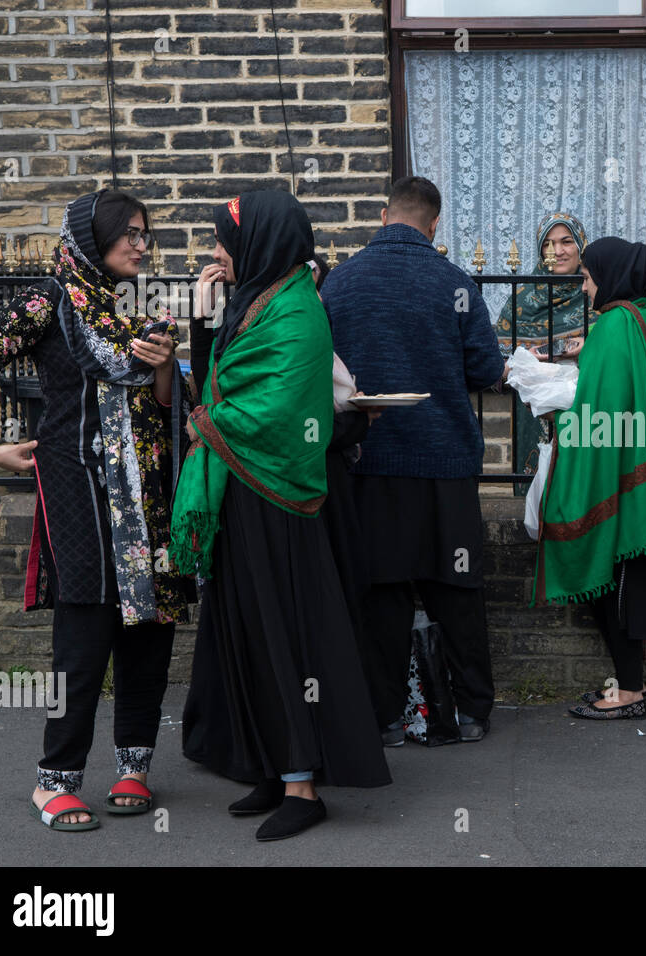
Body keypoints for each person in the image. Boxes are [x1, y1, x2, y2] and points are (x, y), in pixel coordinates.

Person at [0, 189, 188, 830]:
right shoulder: (50, 299)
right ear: (96, 238)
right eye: (132, 235)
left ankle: (134, 766)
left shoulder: (140, 305)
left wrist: (167, 365)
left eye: (147, 235)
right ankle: (54, 779)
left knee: (149, 629)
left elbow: (165, 403)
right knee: (85, 638)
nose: (142, 246)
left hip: (147, 492)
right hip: (79, 488)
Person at [172, 190, 391, 842]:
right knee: (242, 632)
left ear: (260, 242)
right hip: (240, 496)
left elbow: (274, 413)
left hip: (279, 503)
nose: (216, 253)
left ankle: (303, 783)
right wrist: (205, 320)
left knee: (285, 634)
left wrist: (207, 423)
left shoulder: (297, 313)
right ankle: (267, 763)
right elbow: (212, 378)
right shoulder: (253, 301)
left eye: (224, 241)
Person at [322, 176, 504, 744]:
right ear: (434, 224)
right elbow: (485, 369)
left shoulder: (339, 284)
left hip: (370, 461)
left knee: (382, 596)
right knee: (457, 589)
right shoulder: (455, 283)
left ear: (382, 215)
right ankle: (471, 711)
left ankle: (387, 717)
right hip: (444, 460)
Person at [534, 237, 646, 719]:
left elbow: (598, 408)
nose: (583, 286)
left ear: (610, 275)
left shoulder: (614, 325)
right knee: (631, 578)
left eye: (587, 275)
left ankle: (630, 692)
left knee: (614, 577)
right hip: (638, 470)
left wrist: (559, 418)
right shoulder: (641, 316)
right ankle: (630, 683)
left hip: (614, 471)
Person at [495, 211, 590, 492]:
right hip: (532, 413)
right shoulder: (522, 298)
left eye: (566, 241)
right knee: (538, 491)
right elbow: (498, 358)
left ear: (581, 245)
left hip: (585, 408)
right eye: (548, 243)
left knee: (582, 493)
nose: (557, 251)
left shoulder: (595, 294)